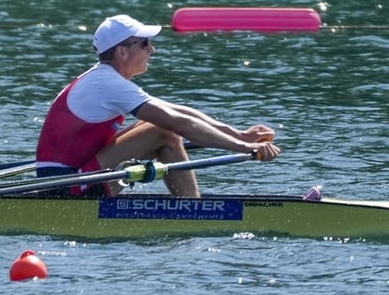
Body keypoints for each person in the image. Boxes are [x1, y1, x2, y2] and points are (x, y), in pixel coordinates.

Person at [35, 14, 280, 198]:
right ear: (122, 51)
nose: (152, 49)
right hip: (63, 189)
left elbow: (178, 112)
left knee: (160, 125)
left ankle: (190, 207)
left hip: (72, 178)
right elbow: (177, 123)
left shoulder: (104, 79)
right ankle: (192, 211)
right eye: (144, 43)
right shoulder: (107, 83)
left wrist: (239, 135)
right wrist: (243, 148)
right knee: (163, 130)